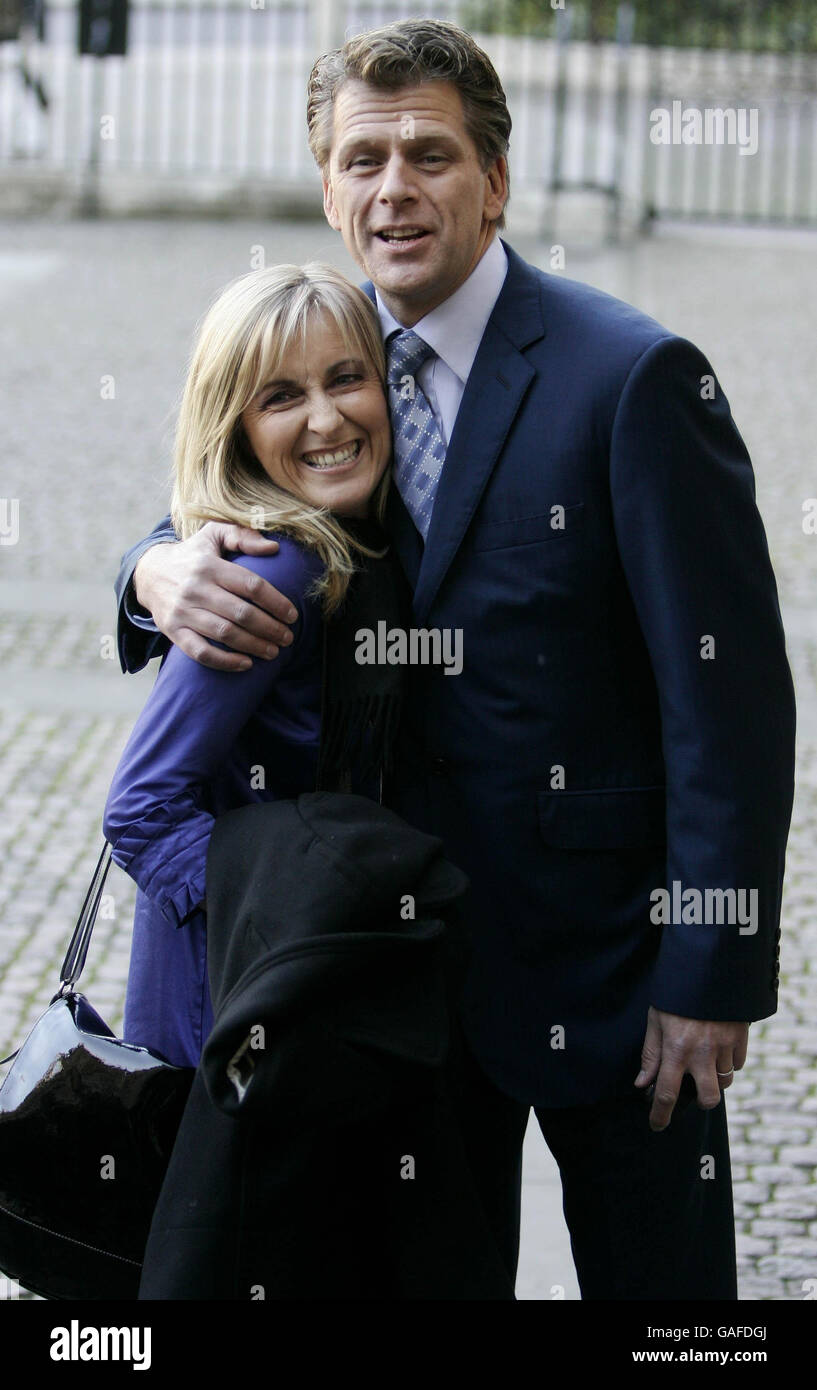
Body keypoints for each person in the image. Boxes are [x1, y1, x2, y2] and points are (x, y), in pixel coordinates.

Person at [113, 20, 796, 1299]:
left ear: (495, 181)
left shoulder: (632, 377)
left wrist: (709, 970)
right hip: (398, 992)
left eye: (429, 153)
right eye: (361, 159)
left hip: (608, 972)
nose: (393, 188)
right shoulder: (331, 362)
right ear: (325, 188)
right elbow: (242, 486)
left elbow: (732, 704)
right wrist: (150, 569)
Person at [103, 261, 402, 1069]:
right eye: (280, 397)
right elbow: (140, 809)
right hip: (238, 1005)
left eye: (347, 379)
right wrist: (301, 915)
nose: (326, 419)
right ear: (233, 428)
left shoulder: (361, 542)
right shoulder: (270, 575)